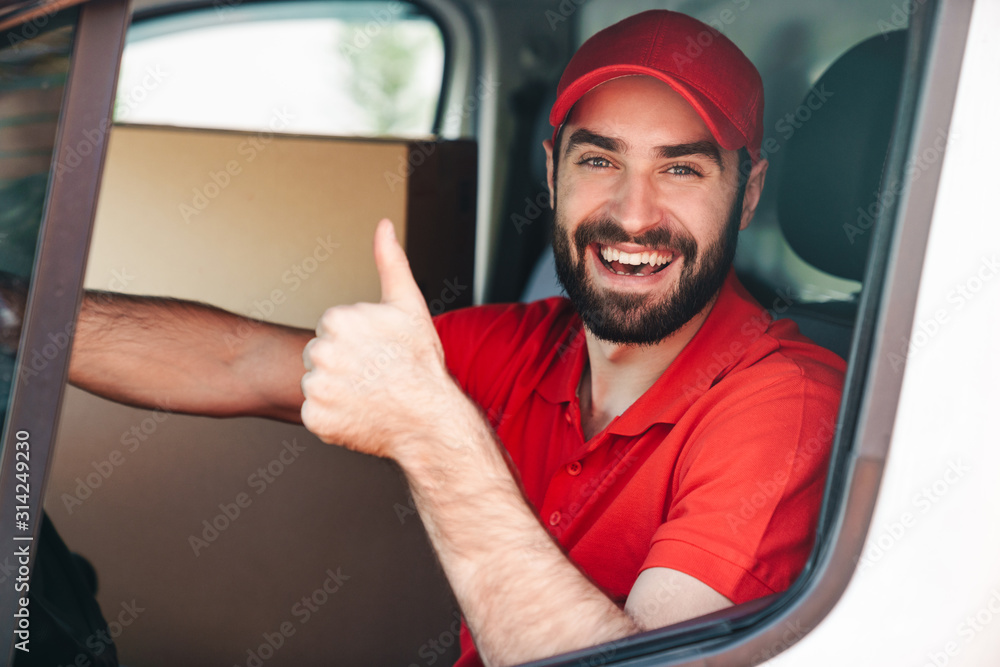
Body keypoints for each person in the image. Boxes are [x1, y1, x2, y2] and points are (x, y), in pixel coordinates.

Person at [68, 10, 844, 667]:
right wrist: (22, 325)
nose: (632, 214)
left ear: (748, 193)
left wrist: (429, 429)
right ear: (553, 173)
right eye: (599, 159)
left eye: (681, 171)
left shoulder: (785, 405)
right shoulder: (524, 346)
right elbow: (238, 361)